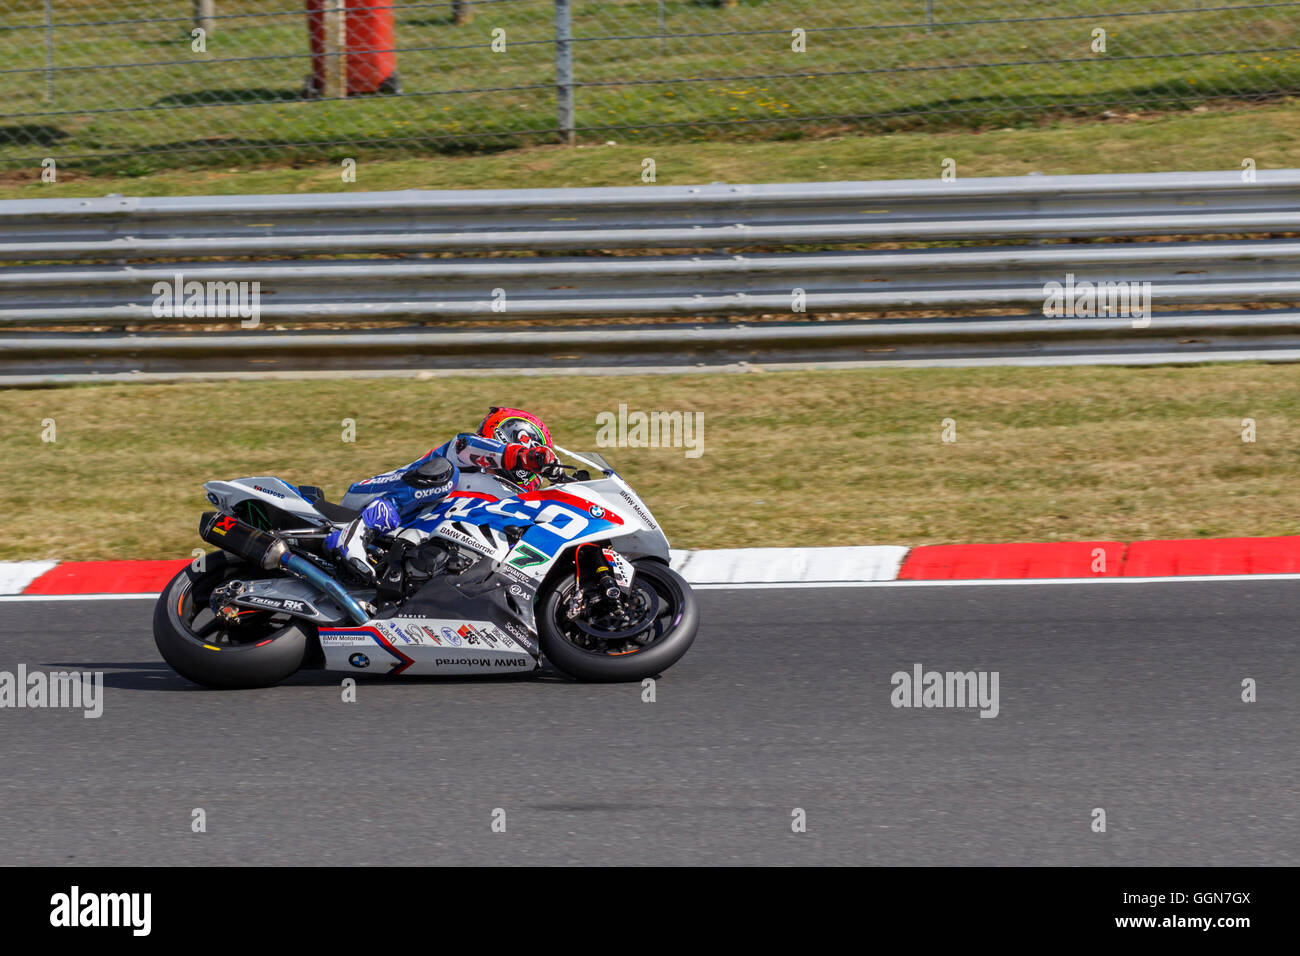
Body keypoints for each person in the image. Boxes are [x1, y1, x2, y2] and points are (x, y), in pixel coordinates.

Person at [324, 407, 558, 583]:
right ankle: (356, 533)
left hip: (415, 540)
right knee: (444, 472)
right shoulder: (467, 452)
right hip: (367, 499)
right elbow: (468, 446)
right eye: (536, 449)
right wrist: (523, 456)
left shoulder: (505, 497)